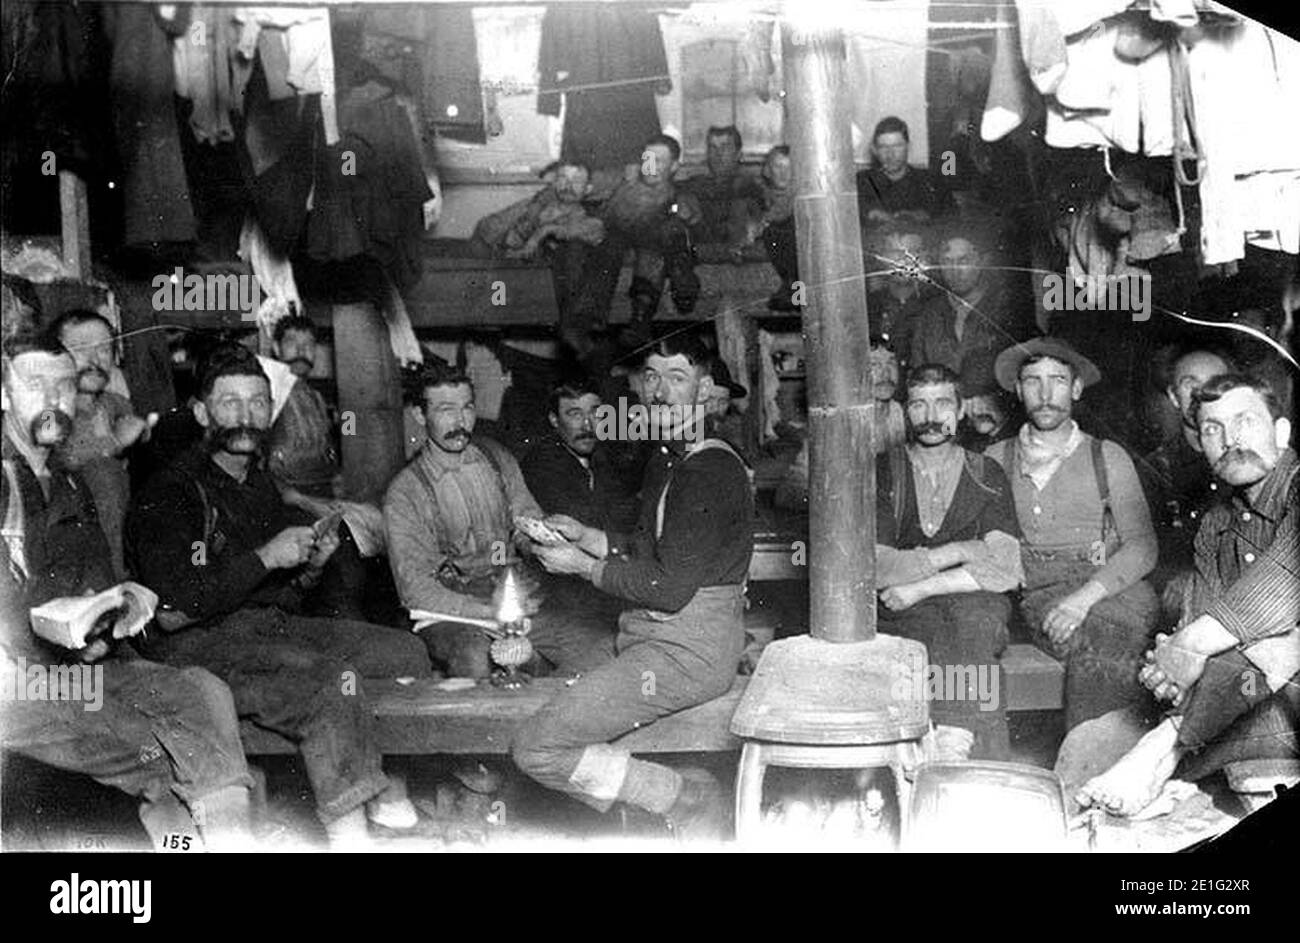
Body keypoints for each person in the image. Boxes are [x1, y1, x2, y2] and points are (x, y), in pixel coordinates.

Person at [126, 344, 432, 846]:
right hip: (195, 649)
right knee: (332, 683)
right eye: (230, 403)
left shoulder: (259, 483)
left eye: (257, 403)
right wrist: (267, 556)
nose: (246, 417)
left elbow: (274, 599)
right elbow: (173, 614)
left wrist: (309, 570)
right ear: (202, 412)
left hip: (262, 631)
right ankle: (351, 833)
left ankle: (388, 797)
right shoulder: (170, 491)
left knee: (404, 652)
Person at [1, 330, 253, 852]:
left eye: (65, 387)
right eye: (34, 386)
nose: (53, 401)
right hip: (16, 685)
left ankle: (231, 843)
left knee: (202, 692)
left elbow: (93, 589)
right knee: (147, 742)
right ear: (3, 394)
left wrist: (117, 609)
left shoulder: (71, 482)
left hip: (73, 669)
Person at [512, 332, 755, 840]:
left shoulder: (708, 470)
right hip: (651, 635)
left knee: (536, 747)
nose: (660, 392)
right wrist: (592, 537)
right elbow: (657, 549)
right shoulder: (670, 456)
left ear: (706, 390)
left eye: (677, 377)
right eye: (651, 377)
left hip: (685, 650)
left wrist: (580, 565)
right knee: (550, 693)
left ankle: (682, 798)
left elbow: (667, 588)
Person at [1072, 374, 1299, 815]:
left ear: (1283, 431)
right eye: (1213, 429)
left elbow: (1286, 581)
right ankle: (1164, 753)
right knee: (1266, 656)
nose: (1231, 440)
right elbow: (1206, 622)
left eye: (1246, 421)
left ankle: (1163, 749)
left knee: (1287, 648)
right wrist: (1176, 663)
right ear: (1202, 445)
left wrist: (1190, 646)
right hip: (1247, 692)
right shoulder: (1216, 526)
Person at [384, 360, 616, 679]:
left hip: (510, 595)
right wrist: (488, 612)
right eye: (445, 410)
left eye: (467, 408)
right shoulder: (405, 492)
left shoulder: (496, 458)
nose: (460, 421)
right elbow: (415, 589)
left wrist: (541, 539)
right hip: (452, 610)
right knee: (476, 659)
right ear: (419, 415)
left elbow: (525, 519)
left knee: (597, 647)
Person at [988, 338, 1159, 731]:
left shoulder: (1106, 455)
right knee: (1093, 646)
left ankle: (1089, 771)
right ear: (1017, 389)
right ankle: (1096, 767)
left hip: (1115, 588)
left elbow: (1143, 546)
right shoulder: (996, 458)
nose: (1046, 394)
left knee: (1105, 636)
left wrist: (1082, 600)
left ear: (1077, 389)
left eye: (1058, 381)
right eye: (1033, 381)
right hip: (1043, 592)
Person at [875, 364, 1023, 760]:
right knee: (941, 633)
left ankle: (952, 743)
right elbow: (876, 567)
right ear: (906, 412)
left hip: (957, 599)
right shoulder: (883, 470)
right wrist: (959, 551)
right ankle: (956, 756)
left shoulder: (985, 471)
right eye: (919, 405)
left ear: (960, 411)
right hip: (902, 607)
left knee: (975, 621)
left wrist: (920, 586)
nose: (930, 416)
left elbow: (1007, 567)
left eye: (942, 404)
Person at [48, 310, 156, 580]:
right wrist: (114, 442)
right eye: (82, 348)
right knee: (103, 473)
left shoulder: (114, 403)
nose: (95, 360)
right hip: (70, 541)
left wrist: (147, 432)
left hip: (120, 537)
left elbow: (140, 431)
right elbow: (62, 459)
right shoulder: (48, 409)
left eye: (105, 350)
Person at [571, 133, 703, 346]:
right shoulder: (628, 188)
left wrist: (678, 210)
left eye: (658, 160)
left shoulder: (680, 193)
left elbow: (690, 215)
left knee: (663, 235)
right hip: (629, 244)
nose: (650, 165)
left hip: (656, 249)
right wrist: (627, 192)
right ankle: (597, 317)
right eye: (646, 159)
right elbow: (607, 220)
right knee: (615, 244)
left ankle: (647, 313)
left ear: (674, 166)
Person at [1138, 345, 1234, 605]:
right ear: (1172, 395)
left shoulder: (1253, 461)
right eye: (1189, 384)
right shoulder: (1154, 469)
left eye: (1216, 383)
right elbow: (1141, 552)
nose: (1201, 394)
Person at [909, 224, 1030, 394]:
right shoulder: (929, 314)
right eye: (947, 261)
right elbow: (918, 374)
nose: (954, 270)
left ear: (982, 262)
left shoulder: (1008, 310)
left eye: (963, 261)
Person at [521, 375, 639, 534]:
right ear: (554, 420)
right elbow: (590, 524)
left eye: (595, 412)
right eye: (575, 414)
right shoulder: (541, 466)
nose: (588, 425)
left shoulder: (608, 455)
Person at [678, 125, 764, 250]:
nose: (718, 154)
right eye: (712, 148)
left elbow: (732, 240)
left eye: (725, 147)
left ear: (738, 154)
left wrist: (694, 220)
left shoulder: (749, 190)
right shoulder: (694, 187)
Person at [856, 116, 951, 225]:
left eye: (897, 146)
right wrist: (872, 214)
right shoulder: (862, 182)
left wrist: (919, 219)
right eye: (883, 147)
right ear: (875, 150)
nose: (890, 154)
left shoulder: (930, 181)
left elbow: (951, 221)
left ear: (908, 147)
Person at [754, 145, 799, 310]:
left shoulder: (800, 196)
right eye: (778, 166)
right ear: (767, 170)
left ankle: (795, 294)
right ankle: (793, 292)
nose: (783, 173)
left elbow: (781, 212)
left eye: (789, 167)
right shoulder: (760, 195)